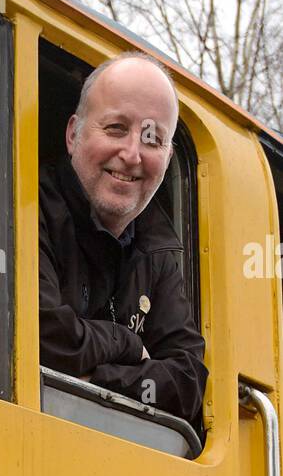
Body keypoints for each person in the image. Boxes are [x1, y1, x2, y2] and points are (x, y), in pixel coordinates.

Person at [39, 50, 207, 431]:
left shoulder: (158, 248)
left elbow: (187, 382)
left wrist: (96, 383)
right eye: (116, 128)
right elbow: (45, 337)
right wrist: (127, 344)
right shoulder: (28, 207)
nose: (132, 154)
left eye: (152, 138)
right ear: (73, 134)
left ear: (167, 158)